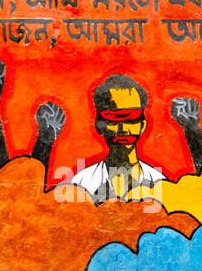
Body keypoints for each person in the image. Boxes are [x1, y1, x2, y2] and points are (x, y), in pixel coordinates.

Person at [68, 73, 166, 203]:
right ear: (99, 125)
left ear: (142, 125)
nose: (122, 129)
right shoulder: (81, 184)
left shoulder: (159, 182)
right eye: (113, 120)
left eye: (131, 119)